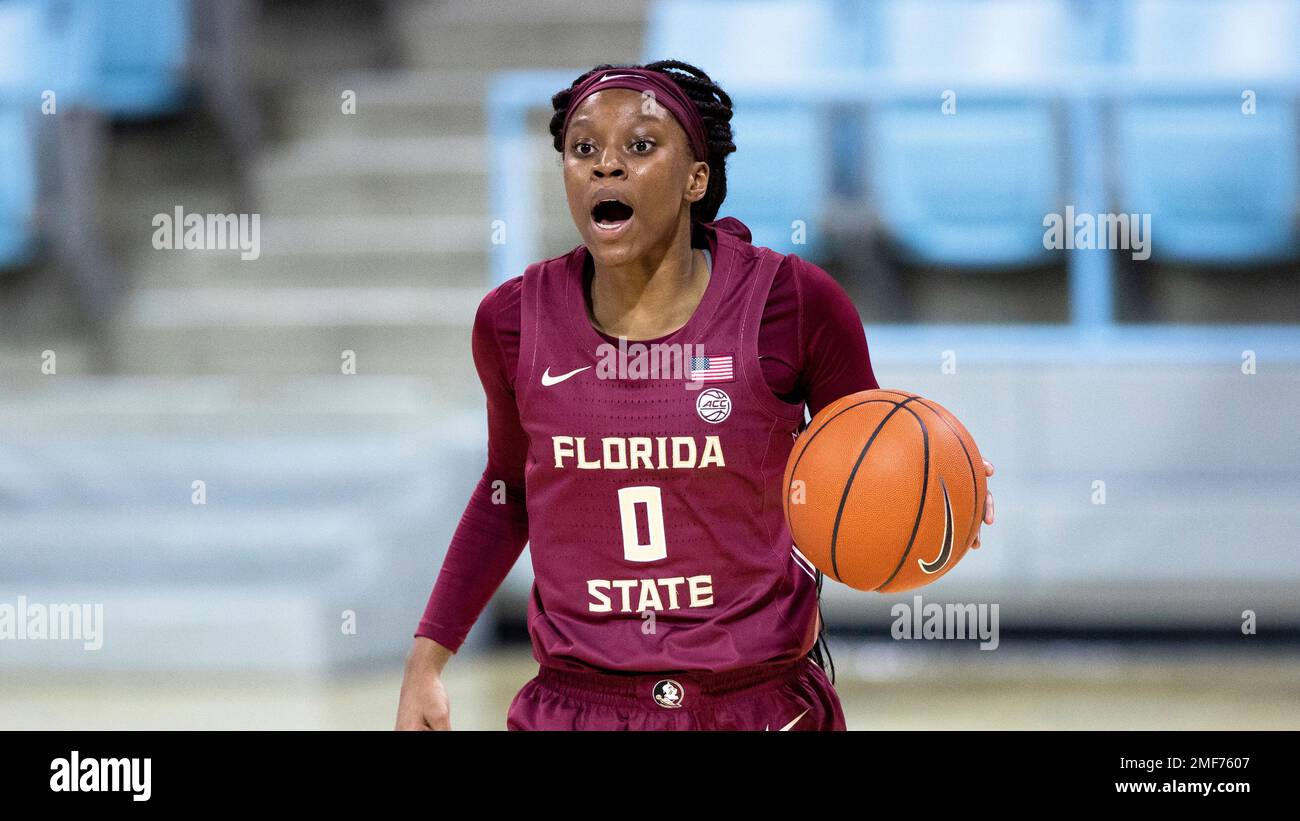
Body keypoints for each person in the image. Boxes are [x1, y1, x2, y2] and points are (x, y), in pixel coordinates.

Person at [395, 60, 996, 731]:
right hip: (577, 707)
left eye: (641, 146)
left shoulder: (793, 304)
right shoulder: (511, 321)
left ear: (696, 179)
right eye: (583, 148)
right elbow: (506, 493)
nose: (606, 166)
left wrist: (939, 485)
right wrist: (427, 661)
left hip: (758, 703)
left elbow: (873, 459)